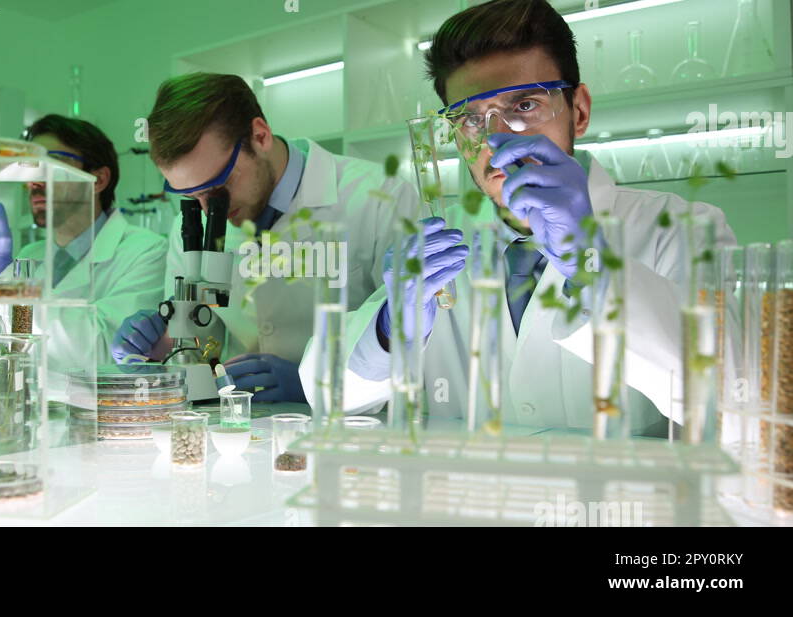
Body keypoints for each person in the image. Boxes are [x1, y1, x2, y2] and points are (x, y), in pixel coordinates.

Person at [300, 0, 736, 436]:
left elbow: (738, 400)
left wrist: (595, 268)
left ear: (579, 111)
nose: (498, 140)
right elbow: (328, 397)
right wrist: (390, 330)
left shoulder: (682, 229)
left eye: (525, 106)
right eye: (471, 119)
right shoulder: (439, 244)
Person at [110, 73, 418, 402]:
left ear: (260, 135)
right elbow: (204, 335)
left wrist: (316, 387)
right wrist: (162, 342)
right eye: (190, 194)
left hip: (353, 431)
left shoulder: (380, 197)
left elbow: (411, 340)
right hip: (243, 430)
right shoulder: (192, 223)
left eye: (217, 186)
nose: (208, 207)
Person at [11, 115, 167, 371]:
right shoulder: (28, 255)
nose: (35, 182)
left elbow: (111, 351)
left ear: (98, 180)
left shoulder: (147, 251)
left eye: (51, 164)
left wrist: (10, 307)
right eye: (31, 167)